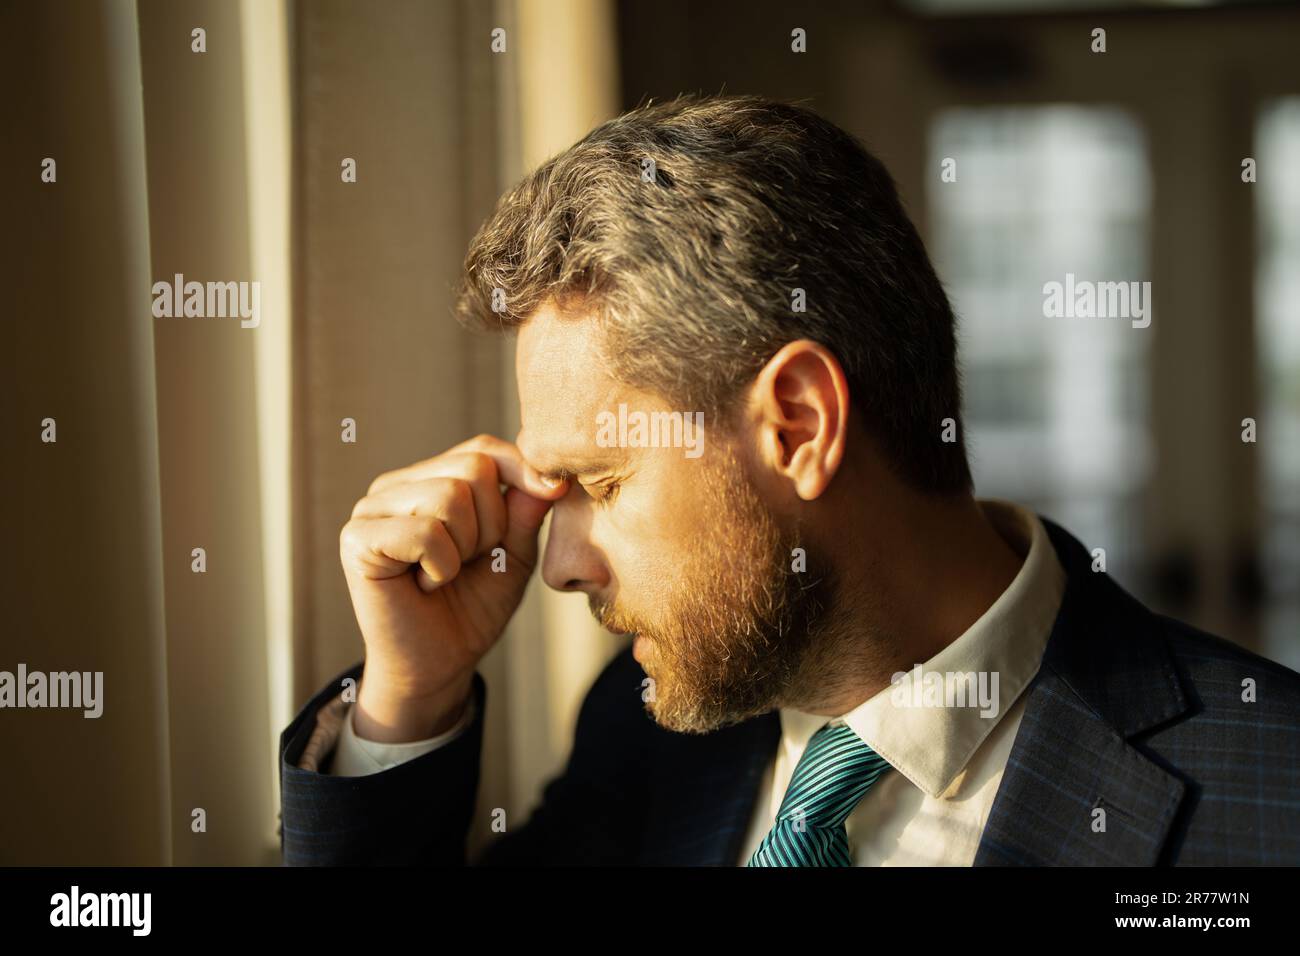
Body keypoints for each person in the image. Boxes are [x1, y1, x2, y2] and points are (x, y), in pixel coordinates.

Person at [279, 94, 1300, 866]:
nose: (560, 563)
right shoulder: (644, 735)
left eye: (603, 481)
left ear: (798, 424)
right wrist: (410, 697)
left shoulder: (1270, 794)